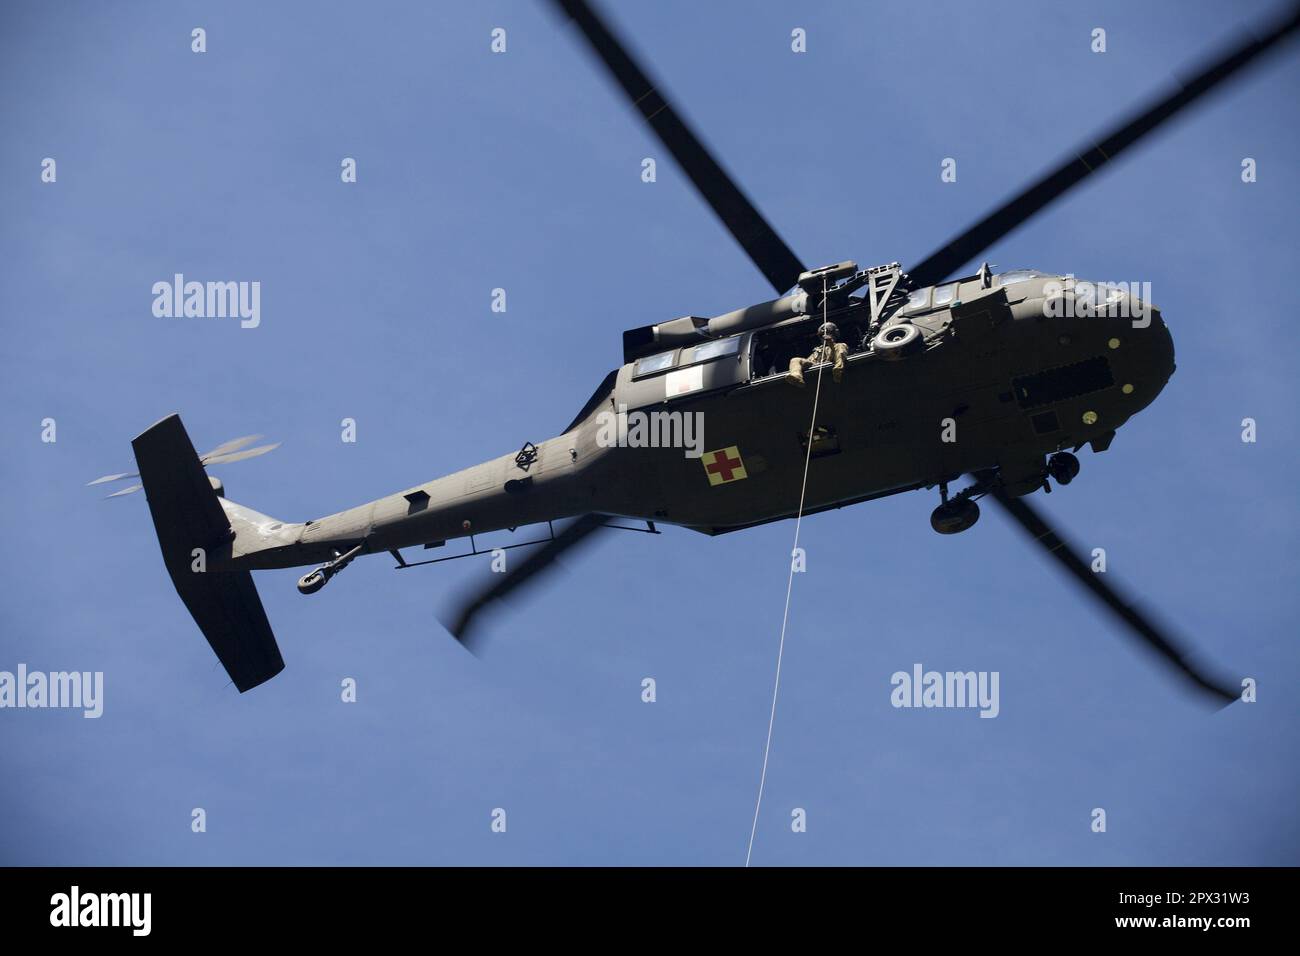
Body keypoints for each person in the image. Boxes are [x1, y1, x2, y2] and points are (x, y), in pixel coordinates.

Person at [786, 322, 849, 387]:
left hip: (831, 362)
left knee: (840, 348)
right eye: (822, 336)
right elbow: (810, 361)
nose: (824, 337)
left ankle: (838, 370)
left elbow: (836, 355)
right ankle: (797, 376)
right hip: (817, 365)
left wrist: (831, 343)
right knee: (795, 360)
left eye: (829, 333)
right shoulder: (818, 350)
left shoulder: (839, 345)